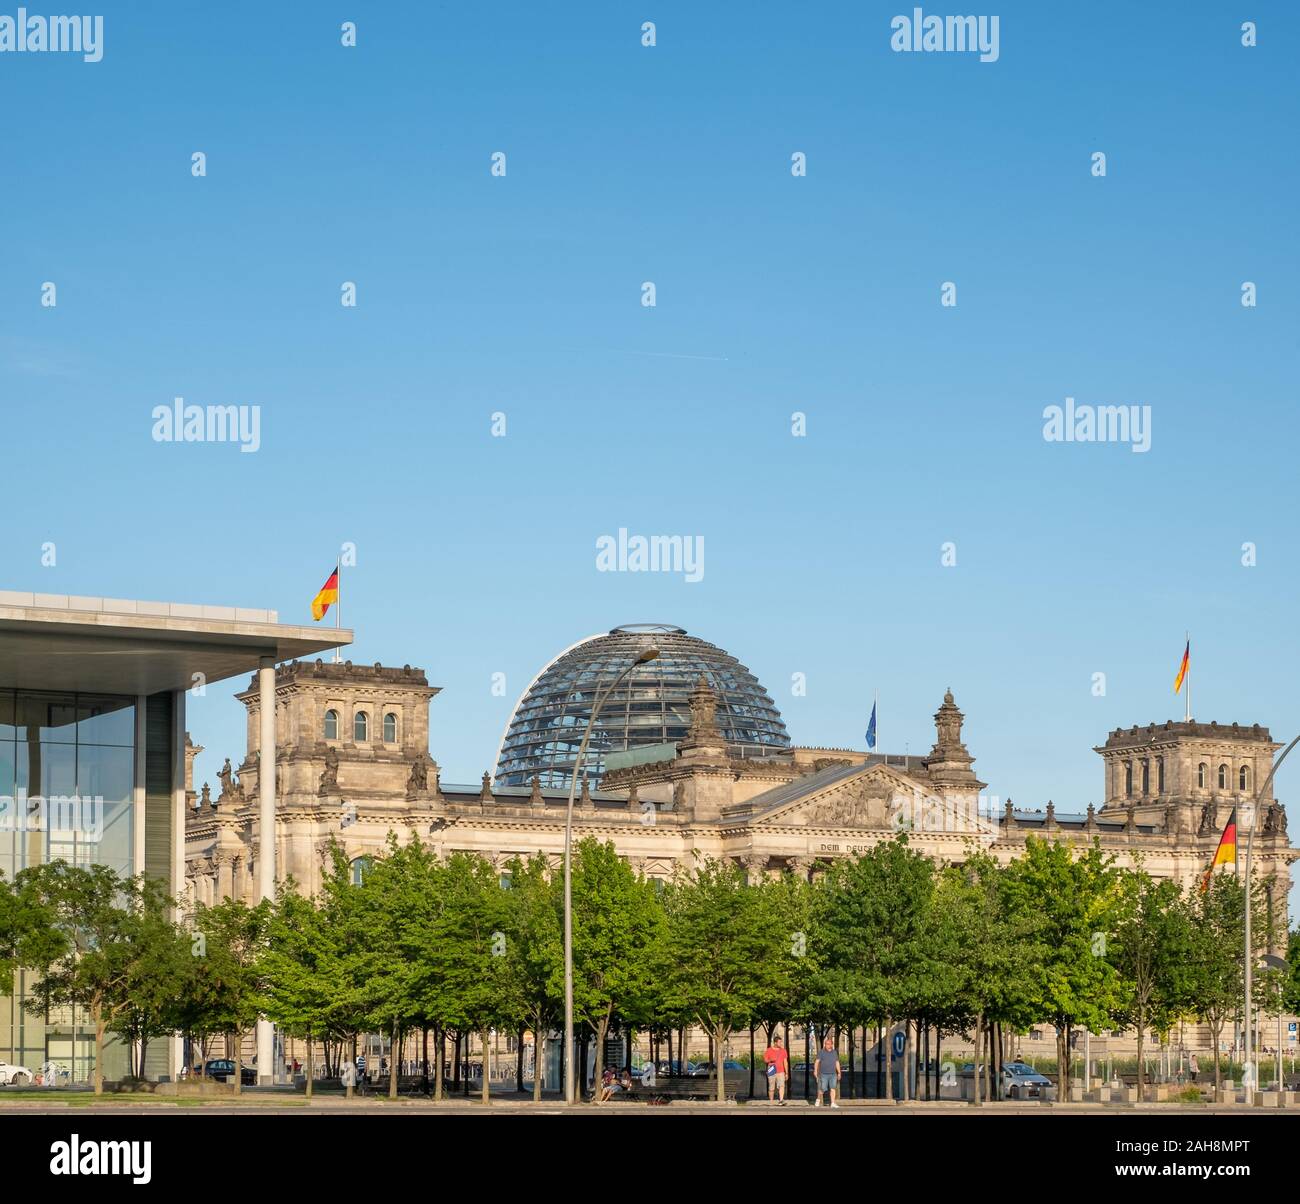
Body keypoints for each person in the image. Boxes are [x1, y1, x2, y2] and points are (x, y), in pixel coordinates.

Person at [814, 1035, 841, 1108]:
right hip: (823, 1074)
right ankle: (818, 1099)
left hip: (833, 1074)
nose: (827, 1045)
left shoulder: (834, 1052)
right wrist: (815, 1071)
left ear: (832, 1045)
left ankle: (832, 1103)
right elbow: (817, 1062)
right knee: (823, 1089)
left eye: (829, 1044)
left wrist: (839, 1072)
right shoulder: (821, 1052)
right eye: (826, 1044)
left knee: (833, 1088)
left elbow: (837, 1062)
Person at [763, 1034, 789, 1103]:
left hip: (781, 1072)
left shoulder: (783, 1051)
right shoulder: (769, 1050)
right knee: (771, 1087)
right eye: (779, 1042)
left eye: (781, 1042)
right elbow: (765, 1060)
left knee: (781, 1085)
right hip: (772, 1071)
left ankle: (781, 1100)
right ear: (775, 1042)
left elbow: (785, 1062)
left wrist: (786, 1073)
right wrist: (770, 1060)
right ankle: (771, 1101)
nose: (781, 1043)